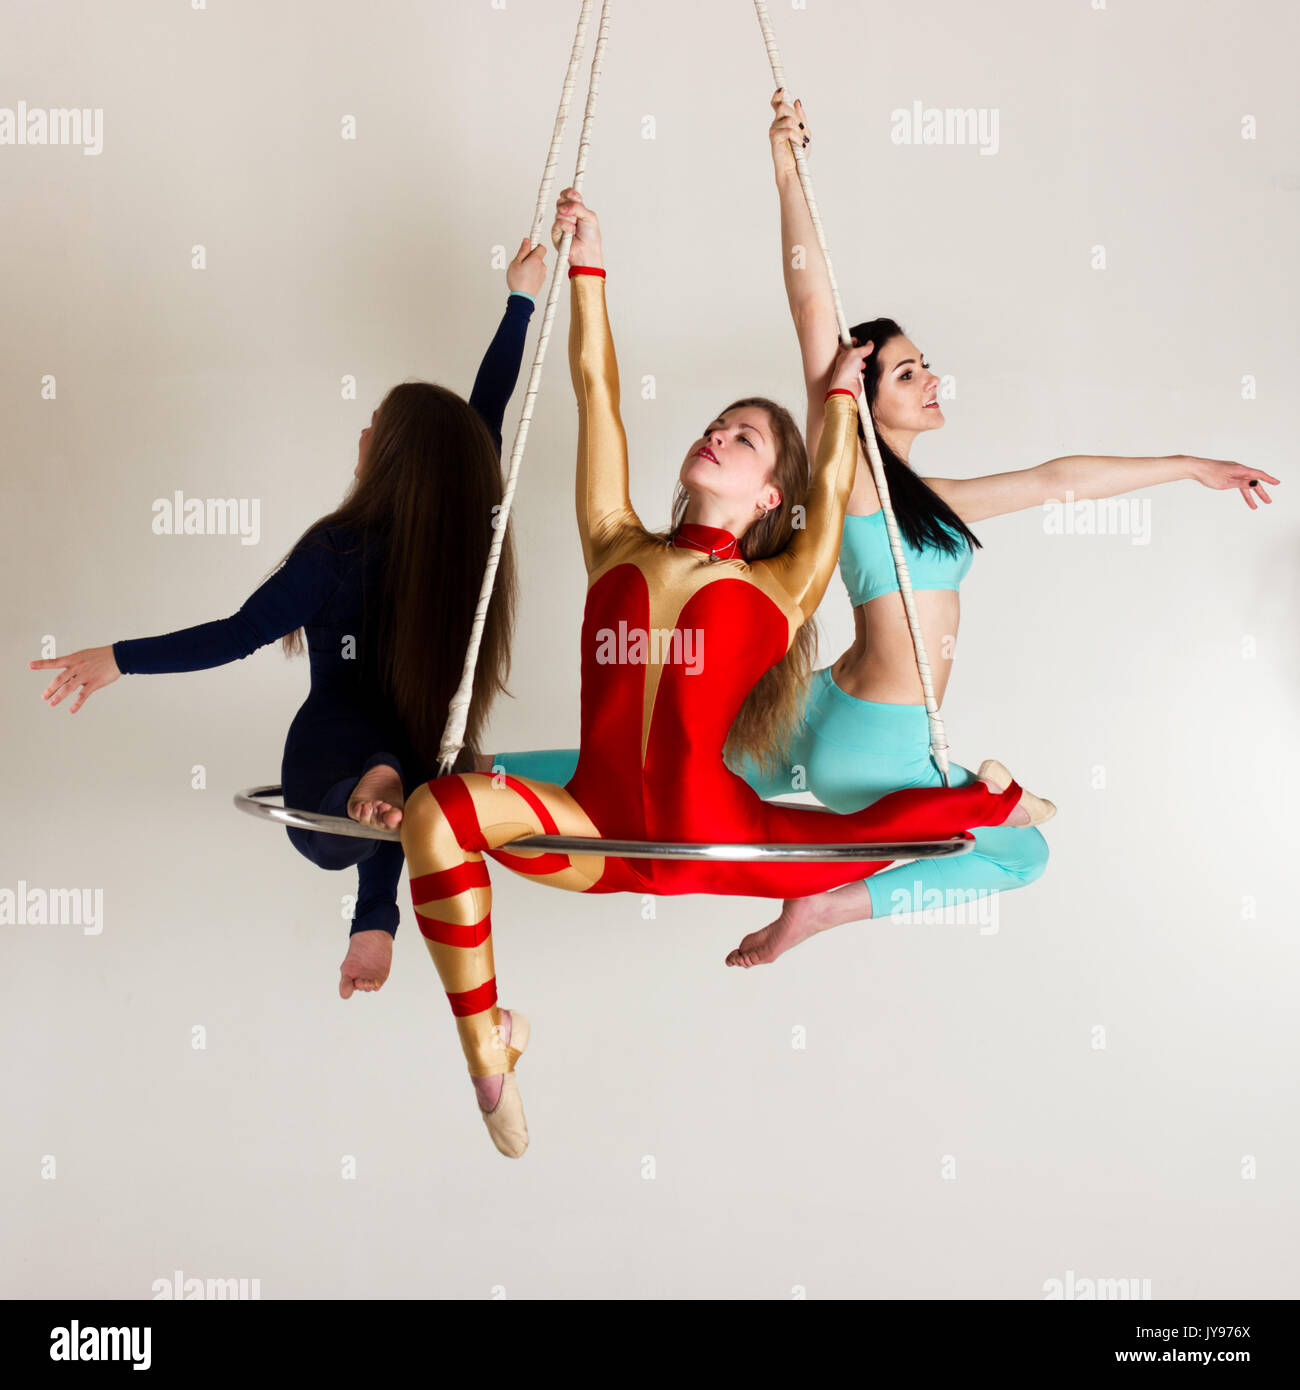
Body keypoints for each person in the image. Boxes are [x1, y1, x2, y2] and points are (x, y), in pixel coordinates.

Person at [399, 190, 1055, 1158]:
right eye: (716, 424)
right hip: (594, 835)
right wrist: (590, 270)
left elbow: (837, 480)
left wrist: (838, 390)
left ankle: (989, 805)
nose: (718, 435)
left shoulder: (782, 584)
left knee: (915, 833)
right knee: (434, 808)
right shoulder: (615, 544)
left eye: (743, 437)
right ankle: (488, 1047)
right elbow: (596, 395)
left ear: (769, 493)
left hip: (720, 838)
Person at [30, 238, 547, 999]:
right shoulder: (467, 533)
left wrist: (120, 656)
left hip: (336, 735)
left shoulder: (337, 550)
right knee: (404, 776)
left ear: (396, 459)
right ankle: (378, 856)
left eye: (373, 425)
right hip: (425, 743)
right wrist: (520, 303)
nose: (362, 433)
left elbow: (237, 635)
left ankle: (367, 808)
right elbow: (486, 412)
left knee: (334, 814)